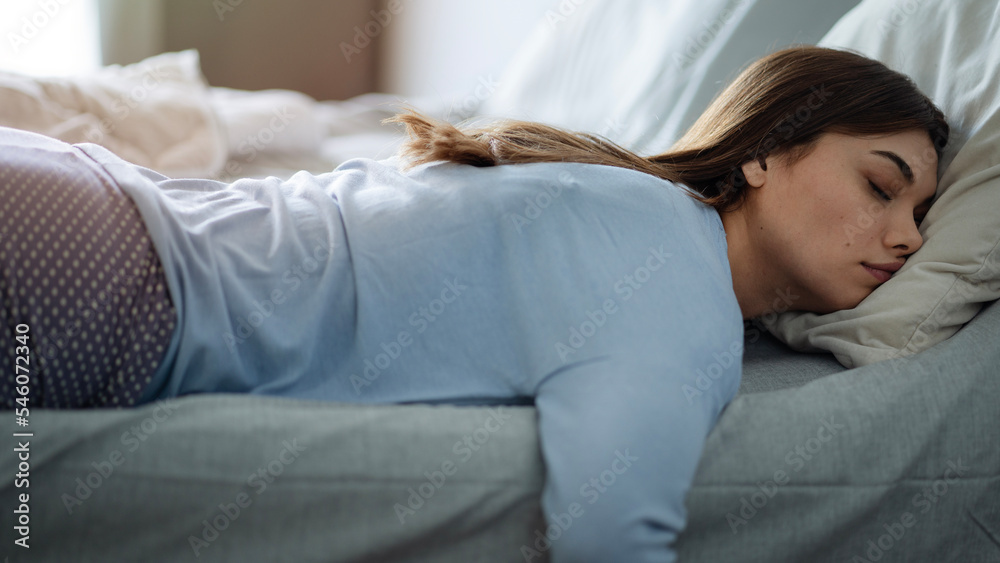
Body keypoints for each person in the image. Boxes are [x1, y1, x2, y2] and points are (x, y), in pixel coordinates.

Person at [0, 46, 947, 562]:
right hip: (105, 277)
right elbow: (612, 532)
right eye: (881, 184)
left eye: (921, 213)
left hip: (88, 210)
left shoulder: (621, 195)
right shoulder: (674, 278)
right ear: (768, 148)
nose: (907, 237)